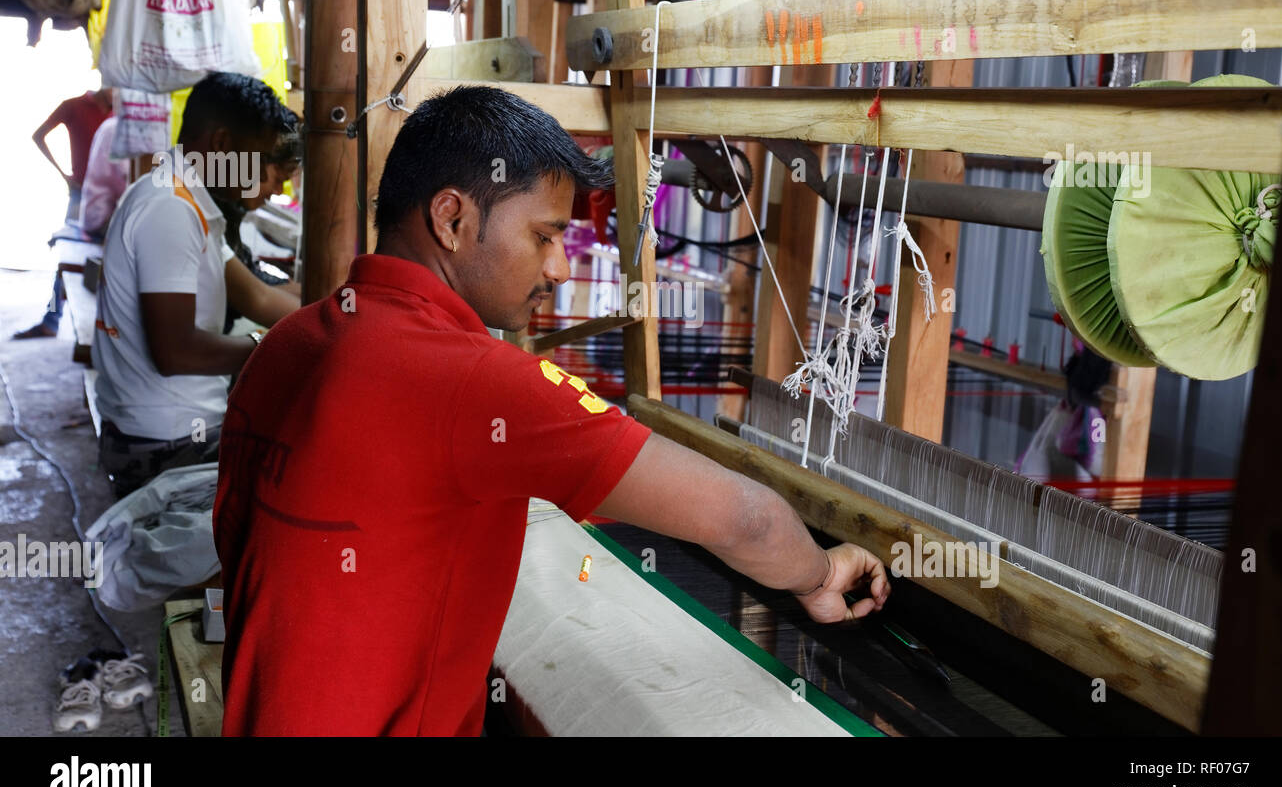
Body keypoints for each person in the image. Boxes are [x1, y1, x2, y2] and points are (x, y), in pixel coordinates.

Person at [213, 85, 891, 736]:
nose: (561, 267)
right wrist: (822, 573)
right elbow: (748, 519)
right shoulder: (477, 383)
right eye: (544, 235)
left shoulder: (286, 345)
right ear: (452, 220)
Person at [92, 73, 301, 499]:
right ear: (222, 144)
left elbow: (259, 294)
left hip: (167, 430)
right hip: (166, 444)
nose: (270, 180)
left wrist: (342, 302)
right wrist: (275, 349)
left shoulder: (188, 200)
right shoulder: (170, 209)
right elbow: (175, 351)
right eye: (261, 158)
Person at [13, 87, 113, 339]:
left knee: (106, 261)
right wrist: (64, 175)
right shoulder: (73, 106)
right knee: (69, 261)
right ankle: (52, 319)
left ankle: (96, 330)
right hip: (81, 195)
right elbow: (39, 135)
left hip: (113, 199)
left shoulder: (121, 113)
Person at [212, 119, 304, 333]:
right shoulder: (212, 215)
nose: (279, 191)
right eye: (279, 179)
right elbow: (255, 297)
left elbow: (251, 278)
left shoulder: (231, 213)